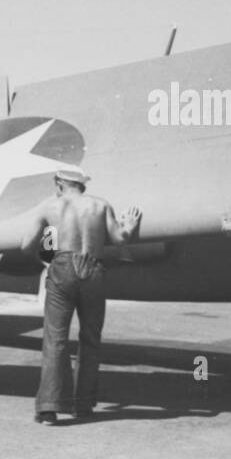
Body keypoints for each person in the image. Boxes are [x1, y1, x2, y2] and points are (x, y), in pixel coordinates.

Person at [19, 168, 142, 425]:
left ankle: (49, 409)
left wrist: (46, 262)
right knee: (90, 339)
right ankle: (83, 406)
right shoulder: (100, 205)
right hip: (94, 267)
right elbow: (121, 238)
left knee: (55, 339)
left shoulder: (49, 207)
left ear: (60, 183)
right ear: (82, 185)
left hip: (63, 265)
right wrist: (131, 226)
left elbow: (25, 245)